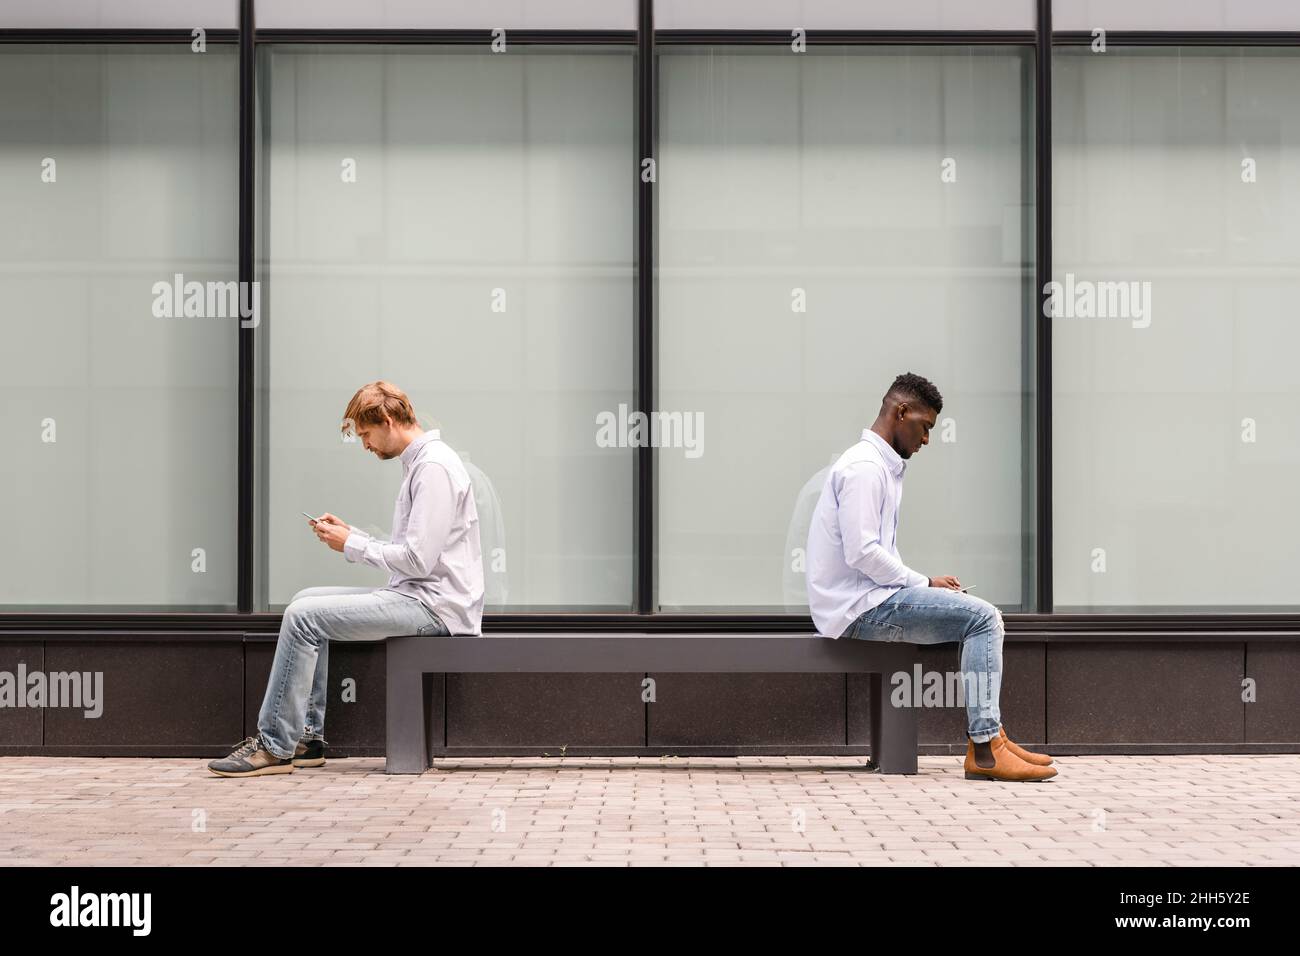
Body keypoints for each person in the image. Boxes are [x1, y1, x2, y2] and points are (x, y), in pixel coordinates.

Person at [209, 381, 484, 778]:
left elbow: (418, 560)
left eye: (366, 434)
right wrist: (355, 535)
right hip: (420, 597)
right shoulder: (422, 464)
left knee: (305, 617)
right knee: (305, 600)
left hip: (435, 608)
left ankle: (273, 746)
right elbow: (415, 553)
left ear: (388, 420)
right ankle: (305, 738)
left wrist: (352, 544)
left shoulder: (433, 468)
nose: (365, 445)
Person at [805, 372, 1055, 782]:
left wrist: (926, 582)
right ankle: (986, 747)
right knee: (983, 618)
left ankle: (994, 738)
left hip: (867, 600)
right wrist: (921, 583)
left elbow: (873, 554)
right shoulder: (866, 468)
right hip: (857, 609)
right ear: (901, 411)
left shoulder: (879, 466)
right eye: (925, 427)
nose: (926, 440)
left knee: (977, 614)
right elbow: (862, 552)